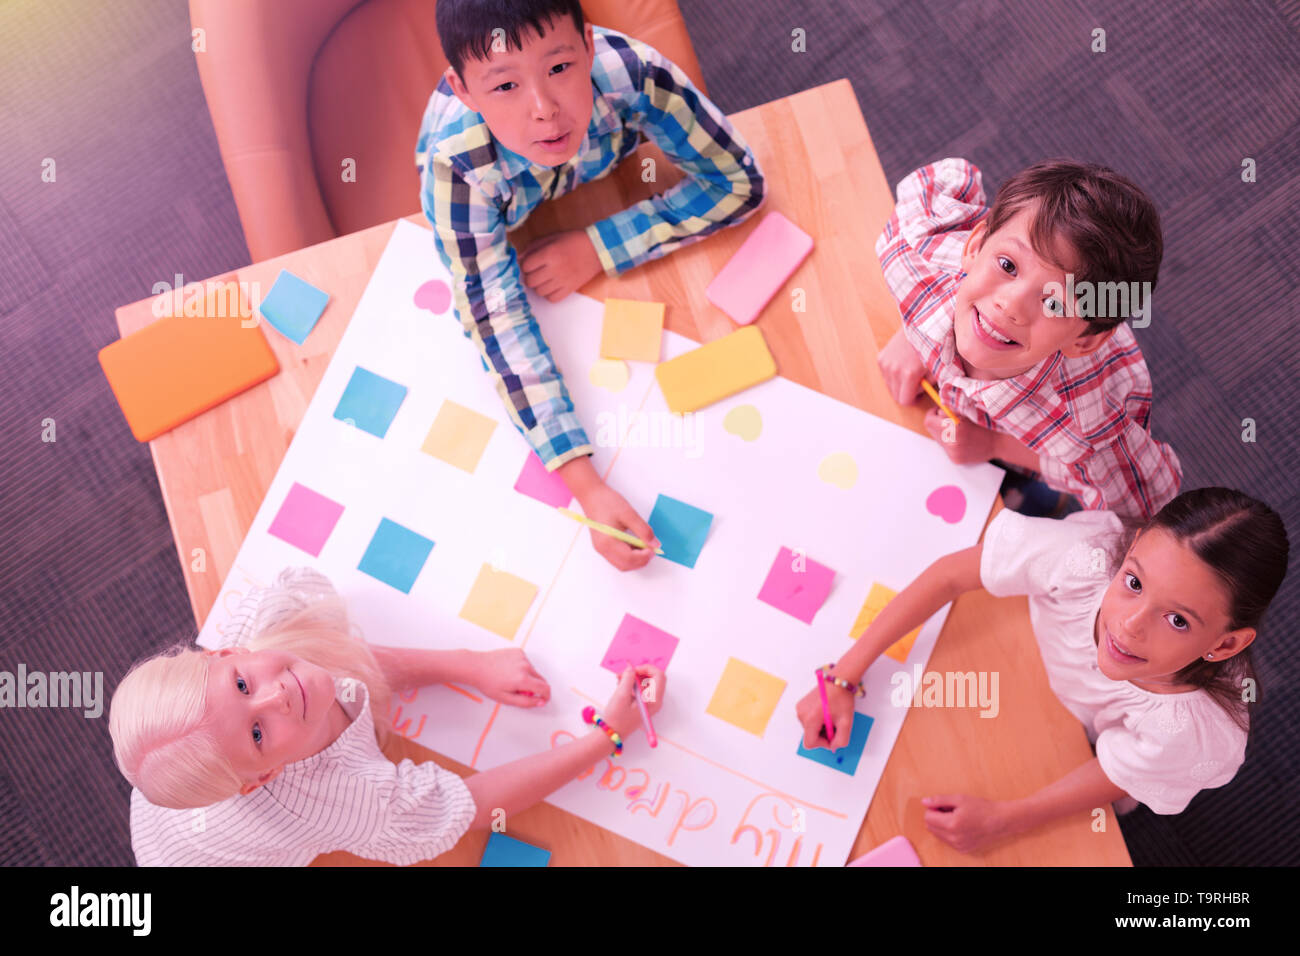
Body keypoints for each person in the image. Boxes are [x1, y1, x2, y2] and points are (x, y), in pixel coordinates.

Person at [417, 0, 765, 570]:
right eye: (504, 86)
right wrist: (588, 486)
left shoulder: (633, 73)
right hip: (488, 198)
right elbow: (496, 319)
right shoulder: (454, 167)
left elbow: (739, 183)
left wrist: (601, 246)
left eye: (559, 68)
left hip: (596, 192)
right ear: (461, 88)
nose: (545, 111)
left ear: (587, 42)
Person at [796, 487, 1287, 853]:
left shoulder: (1190, 732)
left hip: (1092, 744)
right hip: (1027, 679)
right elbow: (950, 575)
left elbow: (1118, 772)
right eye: (1134, 582)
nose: (1129, 626)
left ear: (1225, 644)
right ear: (1132, 547)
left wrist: (1005, 820)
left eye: (1177, 620)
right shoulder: (1082, 559)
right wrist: (844, 675)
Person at [111, 566, 664, 865]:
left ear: (224, 653)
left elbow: (333, 665)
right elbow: (470, 806)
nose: (275, 696)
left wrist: (467, 666)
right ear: (263, 779)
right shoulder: (348, 796)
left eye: (242, 684)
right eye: (258, 732)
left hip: (179, 804)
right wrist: (607, 736)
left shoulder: (250, 660)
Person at [876, 157, 1181, 521]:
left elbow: (1146, 505)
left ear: (1083, 341)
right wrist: (914, 327)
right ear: (975, 245)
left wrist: (994, 445)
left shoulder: (1088, 428)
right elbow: (946, 176)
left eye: (1054, 303)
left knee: (1034, 507)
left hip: (1047, 433)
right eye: (1008, 265)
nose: (1010, 307)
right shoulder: (919, 256)